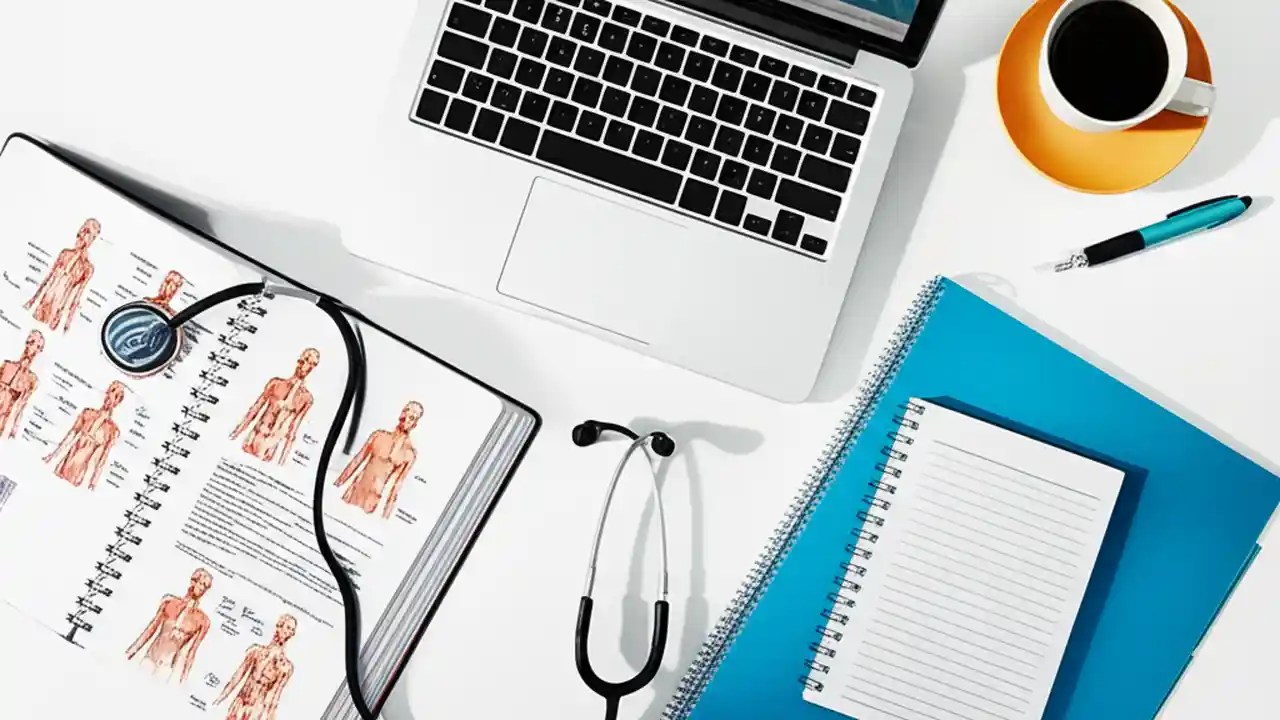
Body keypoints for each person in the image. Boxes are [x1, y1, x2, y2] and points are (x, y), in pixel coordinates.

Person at [334, 401, 423, 519]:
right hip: (355, 491)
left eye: (411, 417)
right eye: (405, 411)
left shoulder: (409, 454)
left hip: (372, 500)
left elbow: (396, 488)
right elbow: (356, 461)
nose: (406, 418)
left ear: (414, 424)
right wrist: (336, 485)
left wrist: (385, 517)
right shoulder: (378, 436)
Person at [229, 349, 319, 465]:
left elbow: (293, 429)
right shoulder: (275, 383)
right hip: (253, 437)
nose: (307, 366)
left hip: (269, 447)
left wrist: (282, 462)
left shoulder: (306, 398)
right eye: (306, 360)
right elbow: (254, 410)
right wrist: (234, 435)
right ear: (299, 360)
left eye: (312, 364)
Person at [125, 569, 213, 683]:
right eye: (201, 584)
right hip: (150, 658)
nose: (202, 589)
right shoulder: (169, 602)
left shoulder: (202, 621)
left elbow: (191, 652)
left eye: (205, 587)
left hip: (166, 667)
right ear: (193, 582)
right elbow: (150, 630)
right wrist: (130, 653)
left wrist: (183, 680)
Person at [44, 380, 125, 490]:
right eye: (110, 392)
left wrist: (93, 482)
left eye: (115, 396)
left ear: (118, 402)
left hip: (81, 470)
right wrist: (53, 455)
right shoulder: (87, 413)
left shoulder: (112, 430)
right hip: (68, 459)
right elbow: (71, 435)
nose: (110, 397)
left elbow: (102, 458)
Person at [215, 614, 296, 720]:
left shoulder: (286, 667)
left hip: (256, 710)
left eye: (292, 630)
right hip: (240, 703)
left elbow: (275, 696)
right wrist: (220, 699)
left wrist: (269, 717)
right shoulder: (256, 651)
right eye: (287, 627)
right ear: (279, 626)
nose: (289, 632)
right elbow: (237, 677)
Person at [25, 218, 99, 332]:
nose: (81, 232)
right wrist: (33, 299)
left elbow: (77, 297)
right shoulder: (65, 253)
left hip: (58, 308)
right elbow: (48, 278)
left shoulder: (87, 268)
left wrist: (68, 323)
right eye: (82, 228)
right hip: (45, 301)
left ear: (92, 239)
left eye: (87, 231)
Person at [0, 330, 44, 438]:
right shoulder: (6, 366)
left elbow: (21, 407)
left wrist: (14, 430)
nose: (30, 345)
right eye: (30, 341)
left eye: (36, 345)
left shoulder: (32, 380)